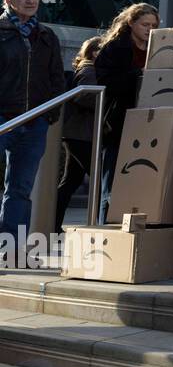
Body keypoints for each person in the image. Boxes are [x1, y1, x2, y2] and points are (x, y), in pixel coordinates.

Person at [0, 0, 67, 240]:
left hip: (34, 121)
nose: (31, 1)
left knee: (20, 188)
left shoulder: (47, 36)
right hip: (3, 118)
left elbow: (56, 78)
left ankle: (10, 246)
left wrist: (49, 115)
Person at [94, 2, 159, 222]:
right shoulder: (115, 47)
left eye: (153, 24)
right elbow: (104, 82)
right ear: (131, 23)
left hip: (150, 122)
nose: (149, 29)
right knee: (112, 183)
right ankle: (105, 229)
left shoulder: (160, 47)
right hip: (118, 122)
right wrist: (137, 74)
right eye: (144, 24)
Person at [55, 37, 102, 231]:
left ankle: (53, 223)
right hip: (81, 134)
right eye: (102, 50)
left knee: (70, 181)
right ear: (93, 52)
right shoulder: (88, 69)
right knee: (99, 179)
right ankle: (101, 223)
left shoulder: (88, 69)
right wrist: (105, 100)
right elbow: (84, 96)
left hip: (78, 133)